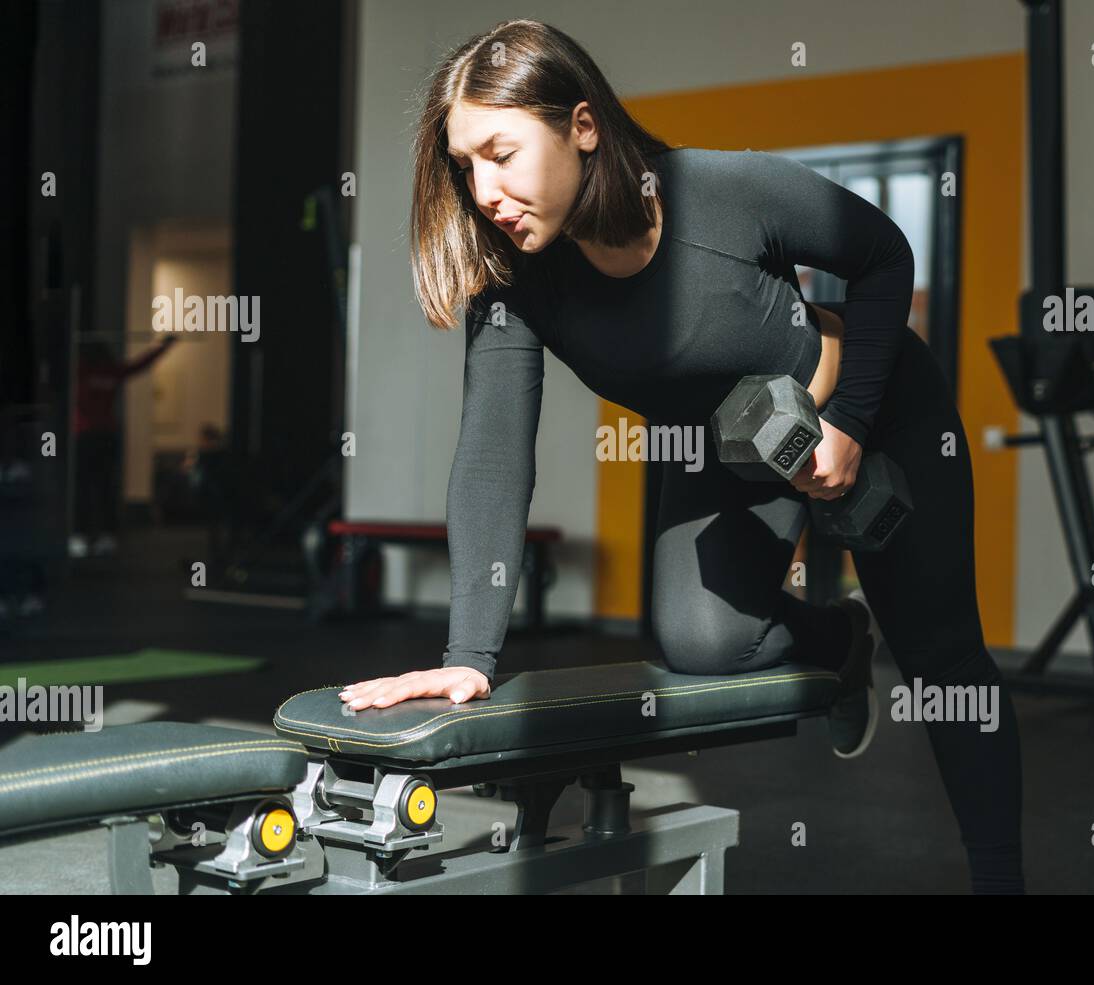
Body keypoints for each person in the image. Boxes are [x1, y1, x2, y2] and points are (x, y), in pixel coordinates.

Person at [339, 19, 1023, 893]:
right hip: (739, 441)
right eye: (466, 166)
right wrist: (471, 652)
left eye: (501, 153)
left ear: (582, 126)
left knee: (945, 661)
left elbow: (884, 254)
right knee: (700, 641)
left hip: (880, 413)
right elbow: (492, 453)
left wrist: (851, 422)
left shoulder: (720, 192)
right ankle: (838, 637)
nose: (483, 190)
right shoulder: (516, 281)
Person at [70, 336, 177, 557]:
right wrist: (163, 348)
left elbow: (138, 365)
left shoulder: (81, 372)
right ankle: (105, 536)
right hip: (107, 436)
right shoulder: (110, 372)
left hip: (86, 436)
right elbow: (138, 365)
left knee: (84, 488)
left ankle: (80, 535)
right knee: (104, 486)